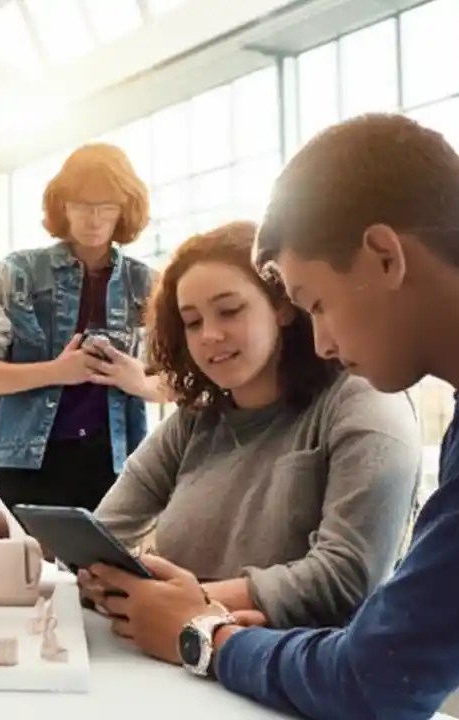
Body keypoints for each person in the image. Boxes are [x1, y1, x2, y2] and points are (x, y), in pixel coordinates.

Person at [89, 114, 459, 719]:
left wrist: (203, 635)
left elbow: (376, 680)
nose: (322, 342)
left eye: (317, 304)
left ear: (385, 256)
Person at [83, 220, 421, 630]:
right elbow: (104, 533)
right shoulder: (195, 420)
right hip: (170, 649)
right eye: (192, 322)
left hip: (291, 663)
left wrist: (179, 603)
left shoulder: (364, 403)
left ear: (283, 305)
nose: (209, 335)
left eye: (230, 311)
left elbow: (347, 576)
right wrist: (103, 578)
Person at [0, 143, 168, 511]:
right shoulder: (18, 273)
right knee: (23, 549)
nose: (94, 219)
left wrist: (139, 382)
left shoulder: (146, 283)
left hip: (117, 465)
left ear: (123, 209)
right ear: (63, 206)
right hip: (30, 467)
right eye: (82, 205)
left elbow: (183, 383)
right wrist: (57, 372)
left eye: (107, 206)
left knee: (107, 551)